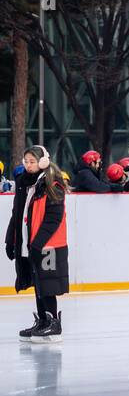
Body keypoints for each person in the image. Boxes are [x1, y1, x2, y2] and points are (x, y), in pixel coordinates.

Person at [6, 145, 70, 343]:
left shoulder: (53, 184)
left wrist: (38, 244)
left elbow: (54, 218)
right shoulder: (24, 183)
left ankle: (53, 323)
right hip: (30, 243)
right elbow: (17, 214)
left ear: (43, 161)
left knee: (47, 282)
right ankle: (43, 320)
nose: (28, 165)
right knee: (37, 282)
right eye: (26, 161)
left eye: (32, 161)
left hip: (48, 245)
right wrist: (11, 239)